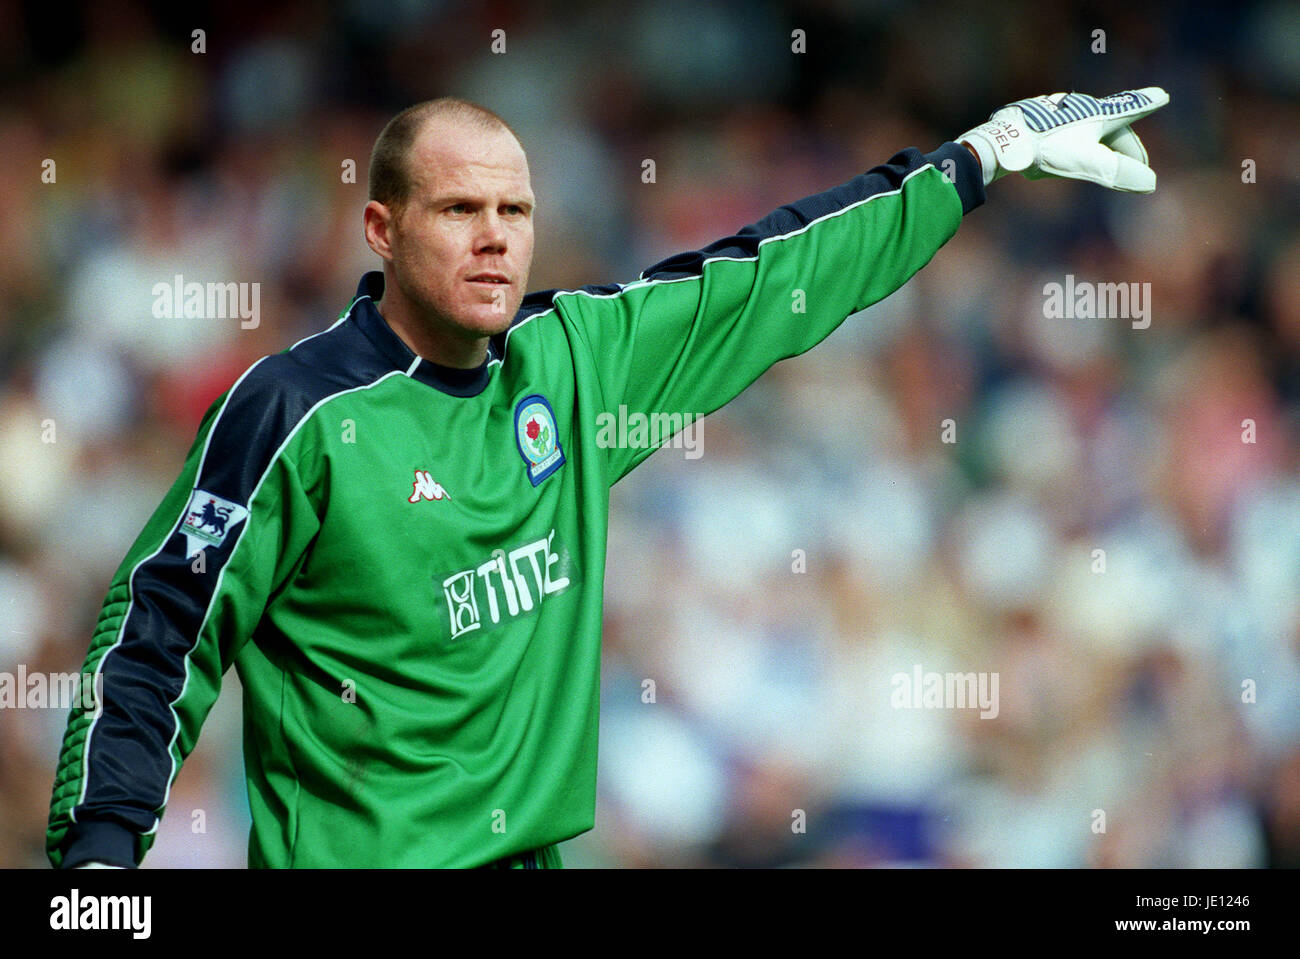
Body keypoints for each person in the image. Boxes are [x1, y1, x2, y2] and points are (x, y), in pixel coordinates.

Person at [47, 89, 1167, 869]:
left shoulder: (572, 361)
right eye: (458, 210)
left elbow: (775, 269)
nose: (494, 240)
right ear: (381, 227)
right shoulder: (294, 413)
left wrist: (973, 159)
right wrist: (102, 863)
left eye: (514, 211)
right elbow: (155, 638)